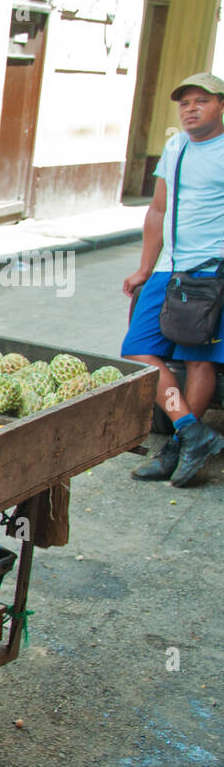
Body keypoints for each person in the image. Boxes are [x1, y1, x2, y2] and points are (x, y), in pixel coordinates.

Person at [122, 72, 224, 487]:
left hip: (212, 272)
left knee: (198, 359)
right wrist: (145, 268)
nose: (191, 109)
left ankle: (178, 449)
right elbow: (158, 211)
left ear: (220, 105)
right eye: (184, 103)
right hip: (170, 269)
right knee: (138, 349)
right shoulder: (176, 146)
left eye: (201, 100)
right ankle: (192, 432)